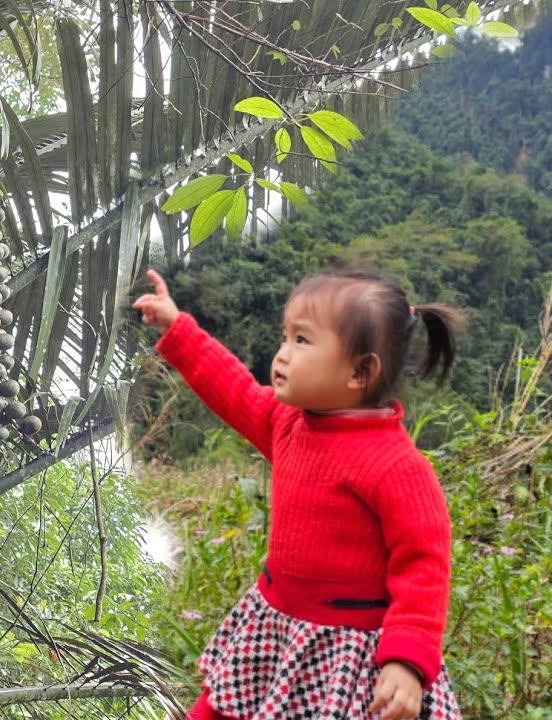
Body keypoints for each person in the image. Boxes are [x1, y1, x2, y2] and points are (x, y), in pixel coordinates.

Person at [133, 269, 463, 720]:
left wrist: (405, 662)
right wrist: (177, 328)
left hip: (348, 657)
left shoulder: (396, 468)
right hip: (274, 627)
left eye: (302, 341)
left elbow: (425, 566)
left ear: (360, 371)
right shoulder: (288, 423)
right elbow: (232, 387)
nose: (282, 355)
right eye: (284, 338)